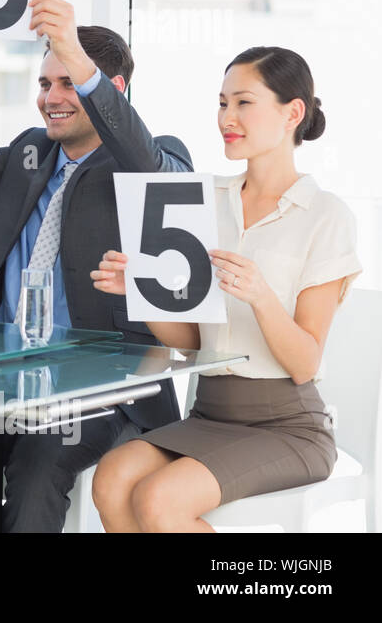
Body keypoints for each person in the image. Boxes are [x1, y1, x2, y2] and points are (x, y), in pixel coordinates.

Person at [0, 0, 194, 532]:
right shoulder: (29, 155)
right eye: (45, 84)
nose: (51, 97)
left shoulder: (153, 158)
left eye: (68, 82)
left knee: (38, 463)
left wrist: (72, 46)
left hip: (105, 390)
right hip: (1, 381)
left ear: (111, 89)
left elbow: (154, 168)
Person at [89, 47, 360, 532]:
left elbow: (305, 363)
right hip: (210, 412)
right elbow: (191, 342)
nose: (226, 118)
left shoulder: (326, 215)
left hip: (288, 425)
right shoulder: (204, 201)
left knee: (159, 500)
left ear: (292, 112)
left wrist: (260, 296)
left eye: (243, 103)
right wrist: (140, 289)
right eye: (221, 103)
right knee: (111, 478)